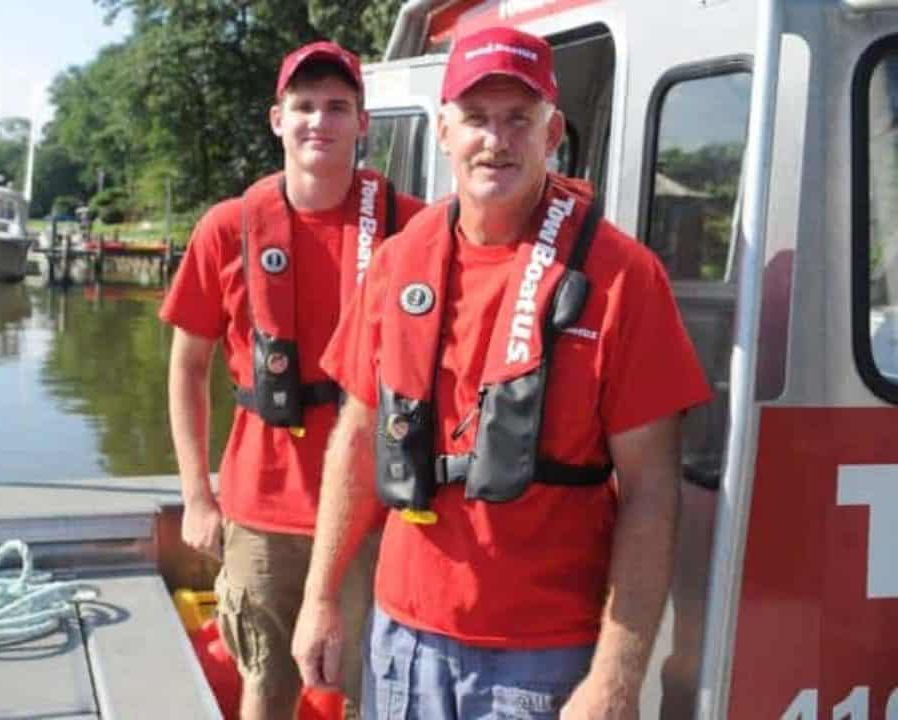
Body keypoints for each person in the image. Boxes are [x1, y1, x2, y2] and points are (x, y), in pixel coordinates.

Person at [291, 26, 712, 720]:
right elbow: (357, 439)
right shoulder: (400, 260)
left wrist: (614, 678)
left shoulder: (623, 278)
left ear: (552, 136)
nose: (497, 139)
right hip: (402, 642)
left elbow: (652, 492)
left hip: (541, 660)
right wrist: (322, 596)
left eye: (520, 119)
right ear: (445, 131)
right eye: (477, 119)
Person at [161, 40, 425, 720]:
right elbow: (188, 369)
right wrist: (197, 495)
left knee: (381, 690)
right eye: (303, 106)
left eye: (338, 107)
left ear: (363, 123)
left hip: (380, 511)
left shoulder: (417, 229)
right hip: (263, 511)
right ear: (277, 119)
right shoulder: (227, 228)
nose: (319, 121)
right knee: (265, 689)